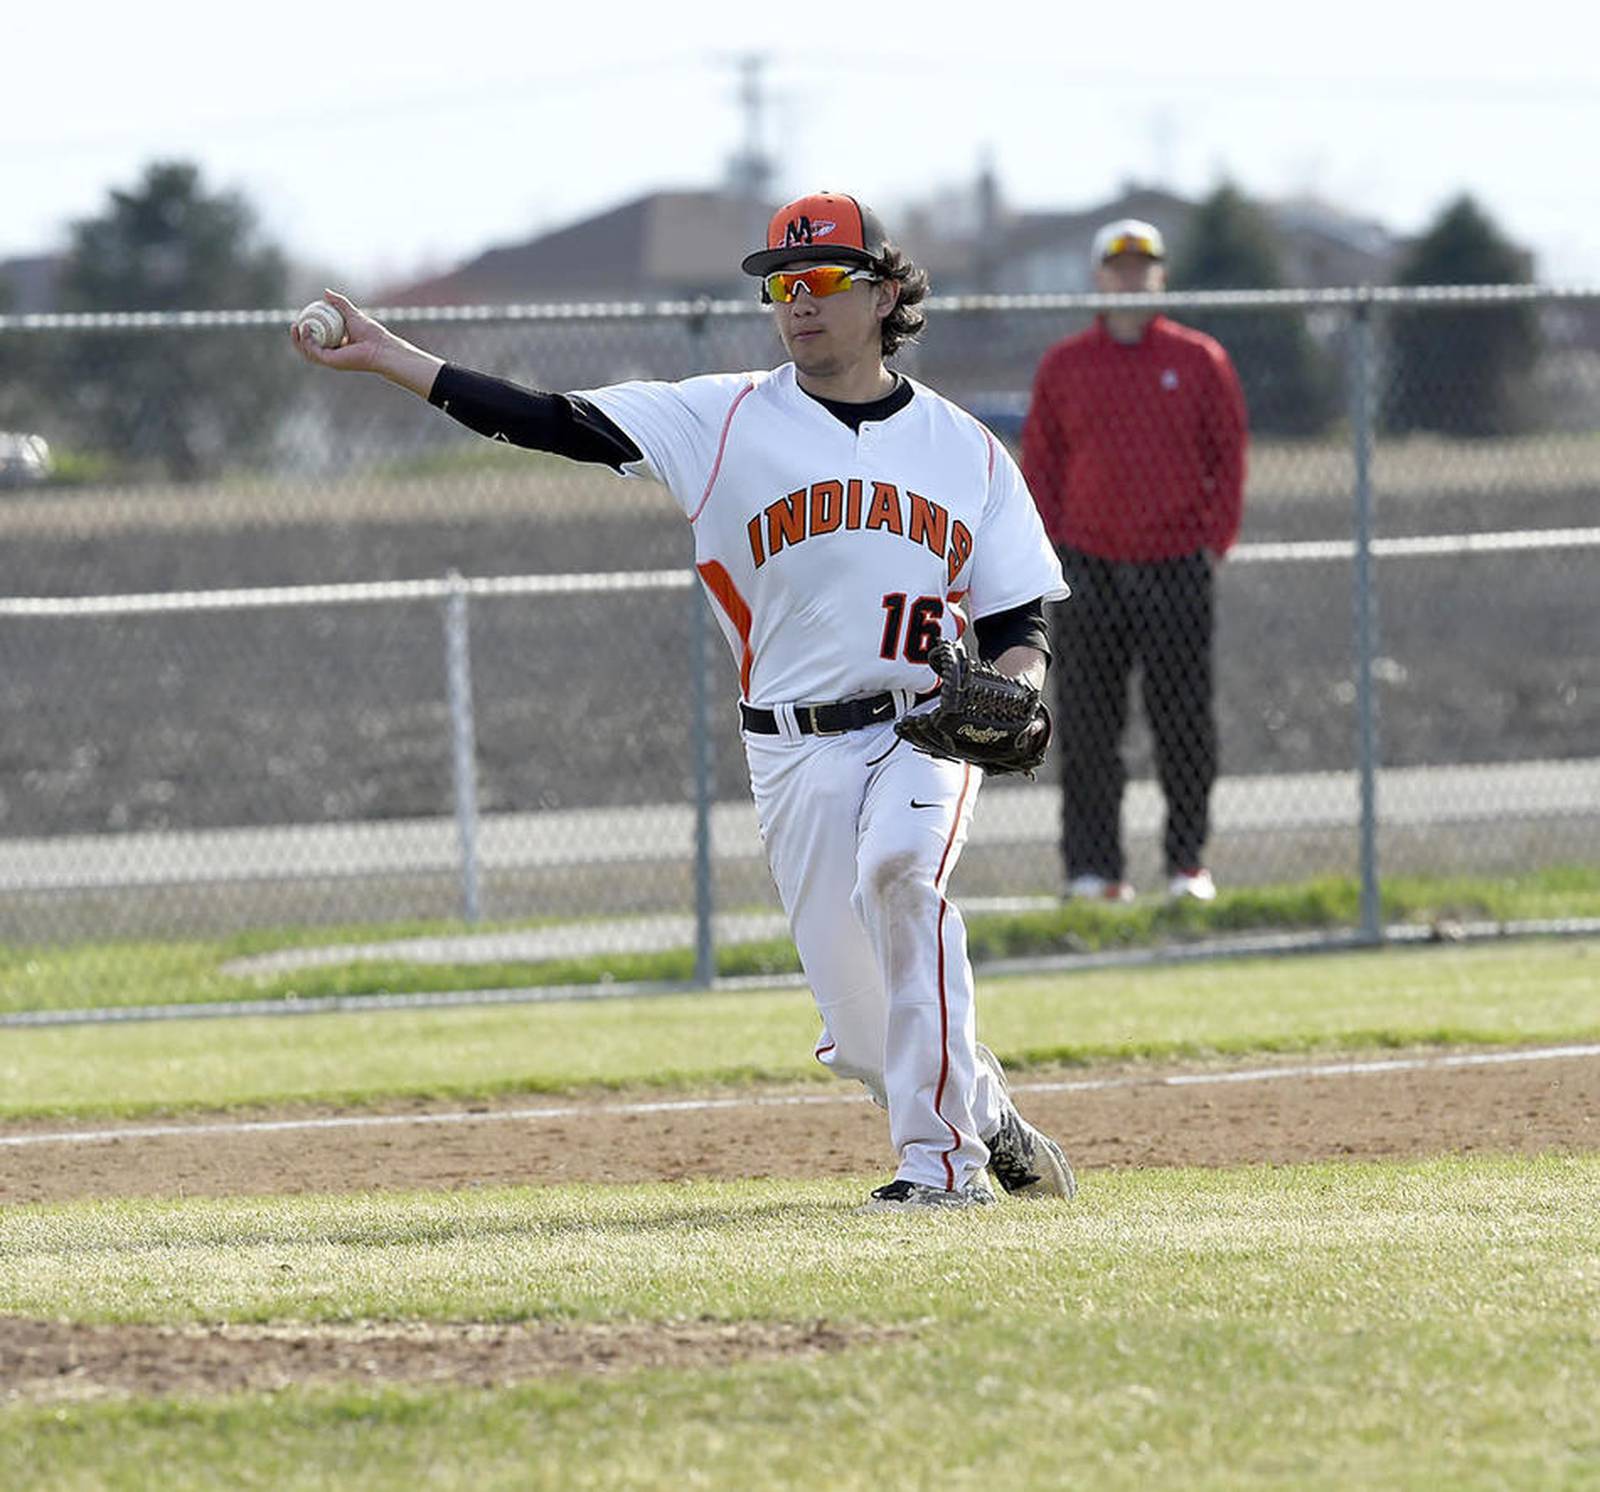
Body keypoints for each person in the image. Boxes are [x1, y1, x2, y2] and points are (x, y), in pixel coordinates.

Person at [292, 191, 1076, 1213]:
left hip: (918, 729)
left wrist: (1011, 690)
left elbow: (1022, 619)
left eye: (824, 280)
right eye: (782, 284)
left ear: (884, 293)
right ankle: (988, 1115)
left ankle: (942, 1170)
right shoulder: (722, 418)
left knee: (901, 878)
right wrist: (396, 356)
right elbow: (552, 421)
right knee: (867, 1029)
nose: (798, 301)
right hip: (792, 751)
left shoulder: (964, 448)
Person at [1021, 218, 1248, 904]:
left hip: (1176, 563)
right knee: (1089, 728)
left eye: (1143, 265)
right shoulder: (1066, 365)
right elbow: (1042, 465)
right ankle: (1093, 872)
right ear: (1099, 278)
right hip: (1089, 567)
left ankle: (1187, 864)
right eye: (1117, 266)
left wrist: (1212, 541)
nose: (1130, 276)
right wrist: (1057, 551)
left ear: (1161, 275)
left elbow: (1228, 454)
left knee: (1184, 725)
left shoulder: (1199, 358)